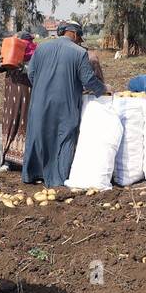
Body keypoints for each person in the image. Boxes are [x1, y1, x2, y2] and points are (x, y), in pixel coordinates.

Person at [22, 22, 107, 186]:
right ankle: (58, 178)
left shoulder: (41, 48)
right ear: (74, 34)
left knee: (38, 134)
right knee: (64, 136)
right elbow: (88, 80)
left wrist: (42, 87)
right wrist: (103, 88)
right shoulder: (79, 52)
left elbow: (31, 74)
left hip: (39, 100)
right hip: (64, 102)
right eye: (79, 37)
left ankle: (31, 174)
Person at [0, 31, 37, 170]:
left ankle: (26, 160)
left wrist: (22, 67)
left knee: (24, 122)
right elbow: (0, 68)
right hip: (11, 93)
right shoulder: (9, 50)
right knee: (10, 120)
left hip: (27, 93)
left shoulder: (35, 54)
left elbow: (37, 71)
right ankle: (7, 160)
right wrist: (0, 64)